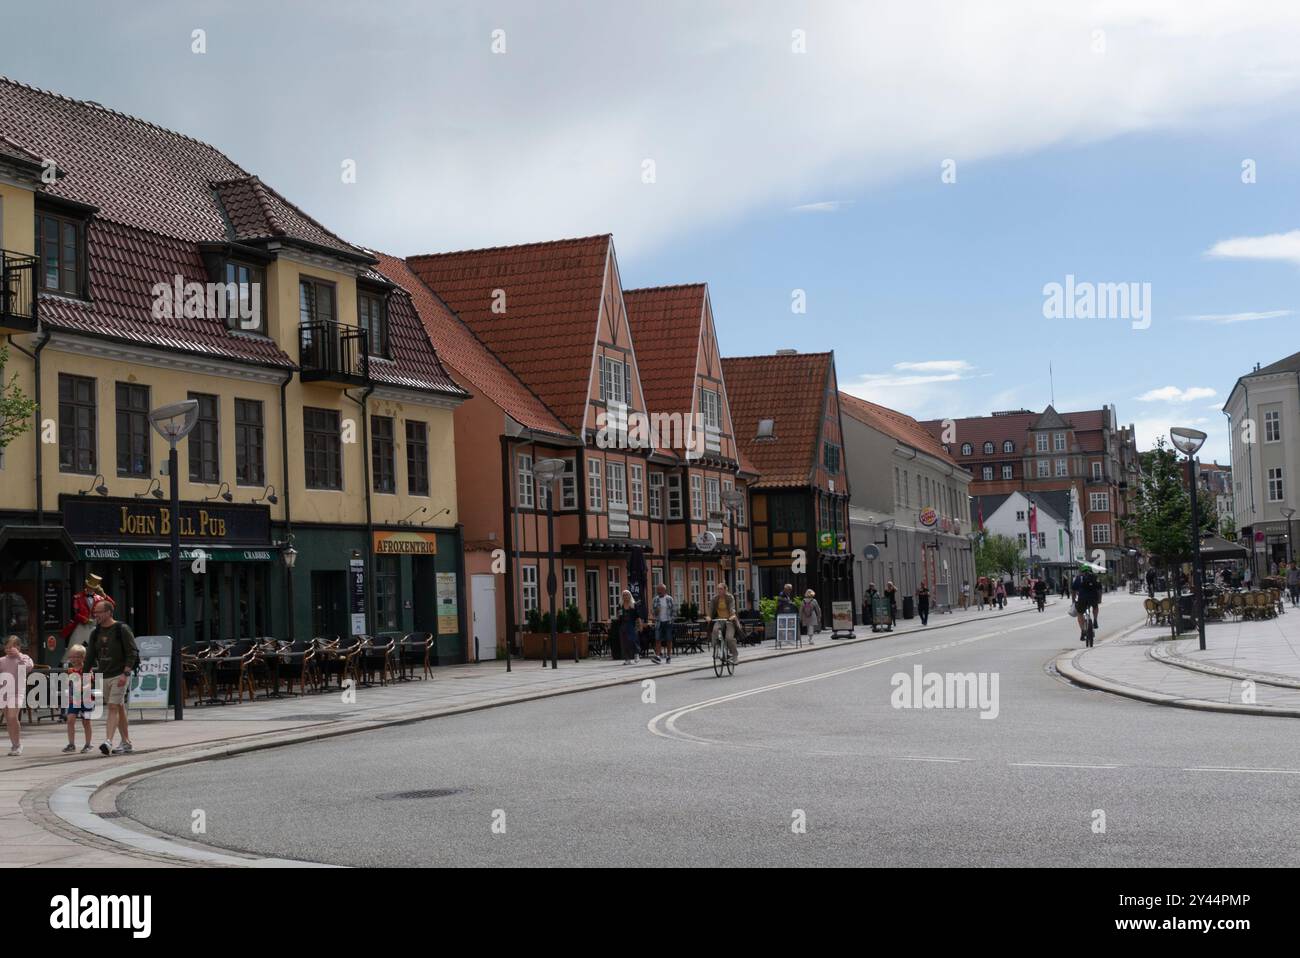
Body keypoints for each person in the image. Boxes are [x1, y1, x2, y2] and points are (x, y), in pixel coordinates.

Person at [85, 598, 140, 754]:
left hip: (119, 674)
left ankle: (108, 741)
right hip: (104, 675)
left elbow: (132, 652)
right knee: (119, 707)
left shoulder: (121, 629)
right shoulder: (95, 633)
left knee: (112, 707)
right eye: (95, 613)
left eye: (99, 612)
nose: (96, 615)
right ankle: (126, 742)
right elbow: (89, 656)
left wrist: (126, 673)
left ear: (109, 612)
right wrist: (83, 677)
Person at [61, 573, 112, 659]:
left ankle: (102, 664)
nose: (91, 589)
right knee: (73, 646)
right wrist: (86, 620)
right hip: (82, 626)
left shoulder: (100, 598)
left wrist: (103, 594)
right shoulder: (78, 597)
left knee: (99, 646)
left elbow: (112, 606)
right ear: (86, 586)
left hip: (95, 626)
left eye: (93, 588)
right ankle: (65, 664)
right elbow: (75, 614)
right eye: (89, 587)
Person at [1, 636, 33, 756]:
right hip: (3, 693)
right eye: (7, 647)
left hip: (17, 692)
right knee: (8, 720)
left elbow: (28, 668)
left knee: (13, 717)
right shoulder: (2, 660)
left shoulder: (24, 658)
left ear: (19, 647)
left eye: (12, 647)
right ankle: (14, 745)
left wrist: (19, 655)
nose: (9, 649)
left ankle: (18, 744)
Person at [63, 644, 94, 754]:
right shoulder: (70, 670)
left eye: (77, 656)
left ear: (83, 658)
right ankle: (71, 744)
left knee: (86, 722)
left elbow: (89, 683)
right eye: (72, 656)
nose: (74, 659)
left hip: (86, 699)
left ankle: (88, 744)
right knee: (70, 720)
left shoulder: (87, 669)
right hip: (74, 700)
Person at [709, 581, 740, 665]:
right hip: (719, 620)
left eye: (721, 589)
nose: (719, 591)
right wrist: (708, 616)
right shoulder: (715, 598)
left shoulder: (730, 597)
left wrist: (732, 615)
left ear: (725, 589)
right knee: (715, 631)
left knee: (729, 638)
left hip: (729, 620)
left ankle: (734, 655)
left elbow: (732, 608)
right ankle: (716, 647)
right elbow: (711, 609)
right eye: (718, 589)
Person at [1071, 564, 1101, 646]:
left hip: (1082, 599)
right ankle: (1095, 619)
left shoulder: (1078, 578)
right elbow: (1099, 589)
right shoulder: (1095, 577)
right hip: (1093, 598)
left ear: (1081, 570)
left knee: (1080, 613)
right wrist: (1099, 599)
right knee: (1095, 606)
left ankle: (1083, 630)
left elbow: (1073, 590)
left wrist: (1073, 600)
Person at [650, 583, 675, 664]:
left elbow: (674, 610)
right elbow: (653, 612)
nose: (658, 591)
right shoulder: (655, 599)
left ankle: (668, 656)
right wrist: (656, 611)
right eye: (658, 590)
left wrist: (672, 620)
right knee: (657, 639)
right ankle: (657, 656)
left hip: (668, 621)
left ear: (664, 590)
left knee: (669, 639)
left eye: (660, 590)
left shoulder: (669, 599)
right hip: (659, 622)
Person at [617, 590, 643, 665]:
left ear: (630, 596)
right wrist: (618, 616)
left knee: (633, 641)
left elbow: (638, 617)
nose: (625, 596)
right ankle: (627, 658)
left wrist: (640, 625)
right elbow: (619, 616)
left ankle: (636, 654)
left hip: (632, 625)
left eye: (627, 595)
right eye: (624, 595)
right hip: (623, 625)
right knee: (624, 643)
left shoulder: (633, 605)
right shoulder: (620, 605)